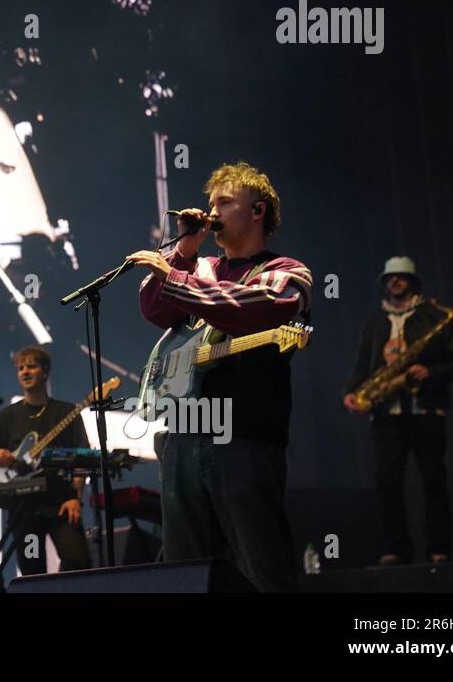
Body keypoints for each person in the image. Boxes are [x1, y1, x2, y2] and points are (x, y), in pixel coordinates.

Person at [127, 161, 312, 592]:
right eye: (210, 203)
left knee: (262, 567)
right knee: (185, 573)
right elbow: (155, 308)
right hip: (185, 433)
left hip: (244, 434)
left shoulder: (288, 270)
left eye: (224, 202)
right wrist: (185, 252)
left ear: (257, 210)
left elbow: (249, 306)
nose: (211, 210)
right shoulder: (199, 266)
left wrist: (175, 274)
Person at [343, 256, 453, 565]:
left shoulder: (433, 316)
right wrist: (351, 391)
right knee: (387, 483)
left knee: (433, 481)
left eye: (400, 277)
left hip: (426, 410)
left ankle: (439, 549)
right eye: (389, 277)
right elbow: (362, 362)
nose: (394, 281)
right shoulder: (374, 320)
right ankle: (396, 549)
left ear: (412, 281)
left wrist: (431, 371)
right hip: (386, 413)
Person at [0, 345, 90, 575]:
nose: (25, 372)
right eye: (21, 368)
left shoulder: (66, 412)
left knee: (79, 564)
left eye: (31, 366)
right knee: (32, 571)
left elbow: (82, 461)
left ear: (45, 372)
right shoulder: (8, 416)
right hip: (25, 512)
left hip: (62, 506)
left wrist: (76, 499)